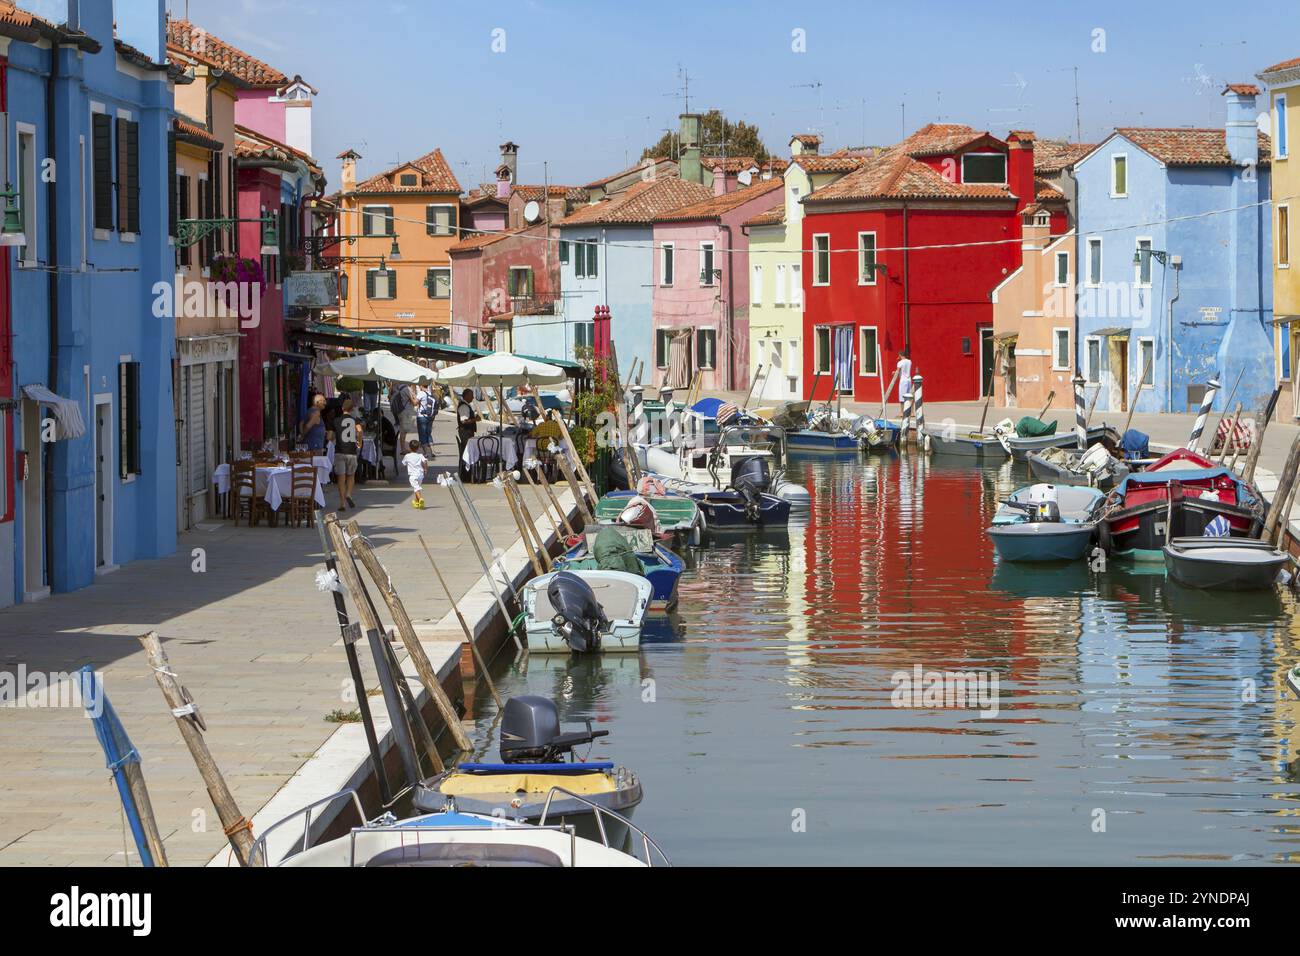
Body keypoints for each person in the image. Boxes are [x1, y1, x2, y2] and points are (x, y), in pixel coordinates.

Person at [334, 398, 361, 511]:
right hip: (351, 451)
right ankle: (349, 493)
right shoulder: (355, 420)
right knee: (351, 475)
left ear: (342, 408)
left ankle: (342, 503)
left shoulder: (336, 420)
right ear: (352, 409)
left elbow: (330, 436)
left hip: (340, 451)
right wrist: (359, 442)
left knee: (341, 477)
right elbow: (359, 431)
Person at [456, 388, 479, 480]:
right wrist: (475, 419)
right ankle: (466, 475)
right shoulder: (464, 406)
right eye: (471, 395)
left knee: (468, 452)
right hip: (465, 433)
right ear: (466, 396)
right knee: (467, 452)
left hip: (467, 432)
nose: (473, 397)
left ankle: (468, 474)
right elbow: (464, 421)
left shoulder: (466, 405)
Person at [402, 439, 427, 509]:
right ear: (418, 448)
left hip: (412, 475)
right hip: (420, 475)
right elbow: (425, 462)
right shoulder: (420, 455)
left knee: (416, 488)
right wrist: (425, 469)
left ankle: (420, 499)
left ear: (409, 447)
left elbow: (403, 463)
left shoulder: (407, 456)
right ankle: (417, 501)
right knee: (417, 488)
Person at [415, 381, 436, 459]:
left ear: (421, 386)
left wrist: (412, 395)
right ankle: (433, 451)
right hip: (430, 416)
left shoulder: (421, 393)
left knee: (422, 434)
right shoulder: (430, 392)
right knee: (428, 433)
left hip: (422, 416)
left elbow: (415, 402)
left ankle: (426, 453)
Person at [896, 348, 914, 422]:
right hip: (909, 379)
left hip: (903, 380)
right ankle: (912, 412)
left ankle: (901, 412)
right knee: (910, 396)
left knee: (902, 396)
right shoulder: (909, 361)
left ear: (900, 355)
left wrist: (895, 373)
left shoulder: (900, 362)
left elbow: (898, 371)